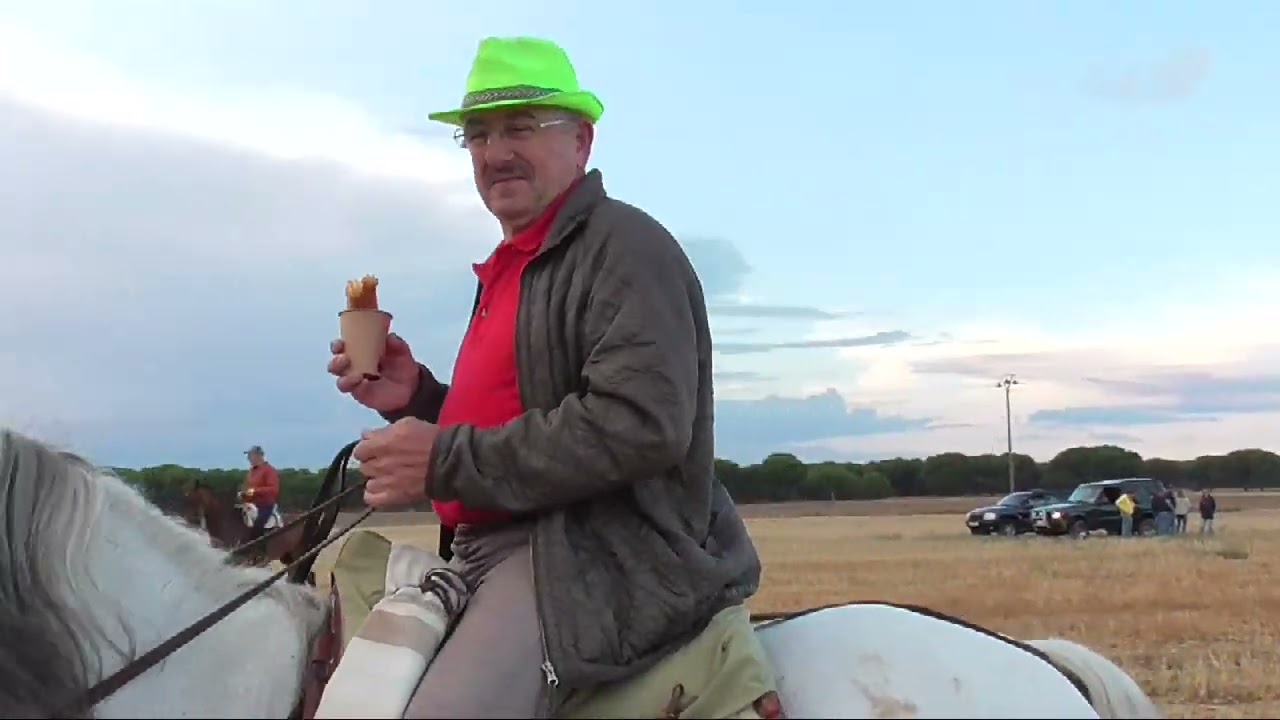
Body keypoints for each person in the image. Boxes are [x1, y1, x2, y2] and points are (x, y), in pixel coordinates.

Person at [326, 36, 763, 718]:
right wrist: (418, 398)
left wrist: (443, 458)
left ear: (582, 142)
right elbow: (517, 425)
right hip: (494, 550)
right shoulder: (515, 265)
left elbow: (641, 423)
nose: (495, 151)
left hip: (588, 558)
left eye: (521, 127)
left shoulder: (625, 247)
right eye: (477, 134)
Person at [241, 445, 280, 542]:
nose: (248, 458)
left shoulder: (269, 470)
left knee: (258, 525)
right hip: (250, 505)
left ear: (258, 456)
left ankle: (259, 552)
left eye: (250, 455)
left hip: (265, 506)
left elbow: (273, 489)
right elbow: (248, 488)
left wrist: (255, 491)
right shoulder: (251, 472)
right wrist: (243, 494)